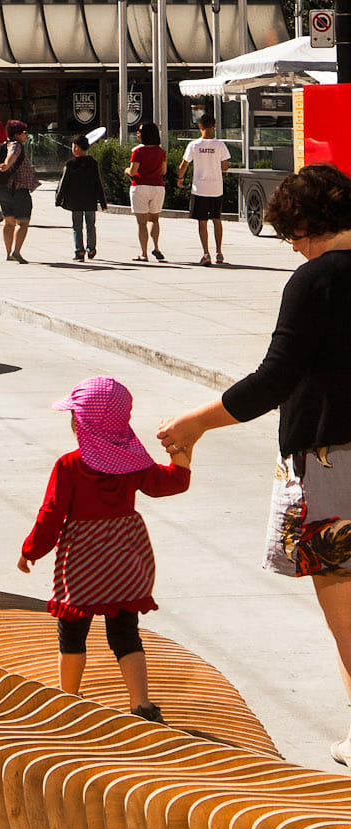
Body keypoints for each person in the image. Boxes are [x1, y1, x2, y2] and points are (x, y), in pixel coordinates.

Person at [157, 164, 351, 762]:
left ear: (311, 224)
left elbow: (275, 379)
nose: (291, 247)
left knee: (343, 599)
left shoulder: (315, 280)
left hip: (330, 460)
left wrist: (195, 423)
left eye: (292, 233)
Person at [19, 376, 193, 722]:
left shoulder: (69, 466)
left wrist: (31, 550)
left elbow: (51, 514)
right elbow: (169, 484)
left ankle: (69, 697)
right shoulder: (133, 463)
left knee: (72, 630)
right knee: (125, 631)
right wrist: (182, 454)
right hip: (125, 557)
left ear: (79, 425)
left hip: (82, 560)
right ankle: (141, 703)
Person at [178, 111, 230, 266]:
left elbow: (184, 165)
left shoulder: (193, 145)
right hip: (216, 188)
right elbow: (225, 167)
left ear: (199, 126)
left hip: (199, 188)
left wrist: (180, 178)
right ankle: (219, 253)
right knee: (217, 220)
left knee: (202, 222)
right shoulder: (220, 145)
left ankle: (206, 253)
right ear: (214, 127)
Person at [55, 133, 107, 261]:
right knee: (91, 225)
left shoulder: (70, 164)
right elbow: (98, 183)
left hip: (75, 201)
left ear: (77, 148)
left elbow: (64, 183)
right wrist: (103, 201)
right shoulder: (93, 163)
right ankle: (91, 249)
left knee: (77, 227)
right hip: (90, 200)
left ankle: (80, 251)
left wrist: (58, 199)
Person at [0, 119, 38, 263]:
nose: (26, 135)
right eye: (24, 133)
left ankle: (8, 253)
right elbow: (12, 155)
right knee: (23, 222)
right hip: (18, 189)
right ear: (17, 134)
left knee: (8, 222)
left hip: (3, 189)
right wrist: (7, 164)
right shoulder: (16, 145)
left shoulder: (4, 144)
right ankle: (16, 252)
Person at [126, 120, 167, 261]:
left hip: (140, 186)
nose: (137, 133)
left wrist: (126, 171)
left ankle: (144, 253)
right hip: (158, 186)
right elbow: (164, 171)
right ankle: (156, 247)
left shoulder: (138, 151)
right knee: (155, 219)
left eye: (139, 131)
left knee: (141, 222)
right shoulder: (161, 151)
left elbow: (133, 171)